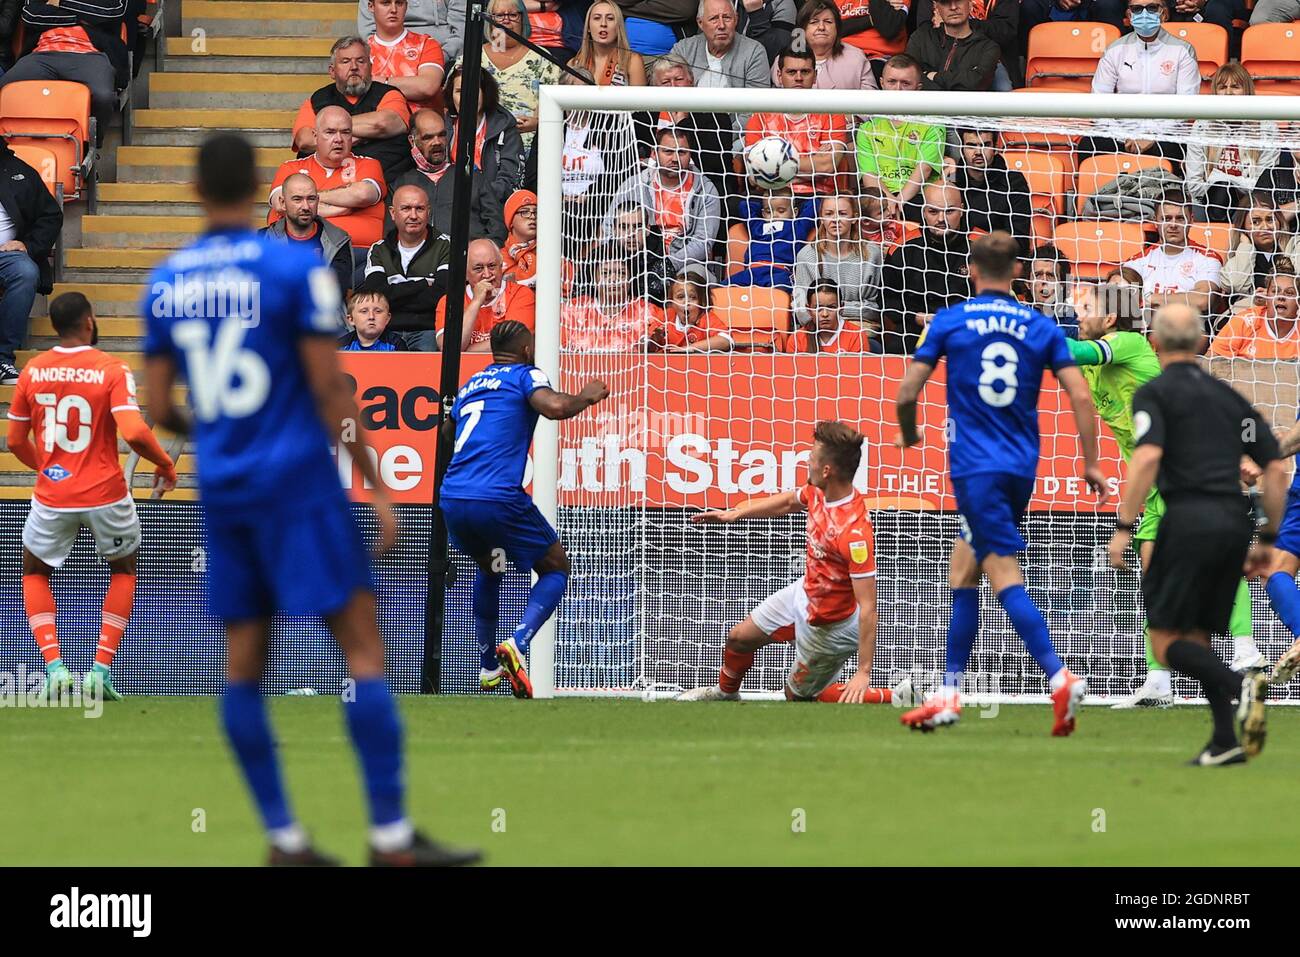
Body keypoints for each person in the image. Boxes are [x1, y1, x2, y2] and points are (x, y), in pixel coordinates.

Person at [142, 132, 480, 866]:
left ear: (195, 191)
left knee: (242, 667)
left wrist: (223, 424)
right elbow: (331, 389)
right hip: (298, 481)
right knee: (363, 651)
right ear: (262, 187)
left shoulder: (166, 281)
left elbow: (156, 405)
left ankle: (283, 836)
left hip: (226, 491)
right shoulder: (291, 268)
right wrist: (380, 486)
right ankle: (390, 835)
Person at [894, 231, 1105, 734]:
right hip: (1020, 469)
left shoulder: (951, 320)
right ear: (1016, 272)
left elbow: (906, 392)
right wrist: (1091, 462)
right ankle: (948, 693)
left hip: (976, 469)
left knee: (1002, 574)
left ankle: (1059, 676)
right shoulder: (1040, 325)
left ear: (970, 269)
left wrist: (908, 435)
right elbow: (1080, 397)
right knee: (962, 571)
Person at [1069, 283, 1264, 709]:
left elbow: (1075, 352)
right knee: (1153, 576)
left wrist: (1024, 331)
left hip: (1182, 471)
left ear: (1110, 318)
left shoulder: (1126, 343)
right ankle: (1159, 680)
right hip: (1155, 482)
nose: (1078, 314)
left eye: (1087, 309)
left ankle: (1244, 647)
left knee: (1209, 559)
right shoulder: (1090, 364)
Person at [1107, 304, 1283, 765]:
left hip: (1186, 520)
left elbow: (1146, 459)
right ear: (1203, 343)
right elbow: (1276, 466)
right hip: (1234, 521)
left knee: (1167, 642)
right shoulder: (1229, 399)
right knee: (1200, 638)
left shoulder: (1154, 393)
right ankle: (1225, 742)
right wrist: (1267, 537)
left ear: (1156, 344)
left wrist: (1124, 527)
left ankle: (1241, 685)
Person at [8, 291, 176, 701]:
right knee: (122, 571)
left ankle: (54, 669)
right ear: (90, 321)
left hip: (53, 494)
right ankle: (100, 671)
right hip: (105, 493)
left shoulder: (32, 370)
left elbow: (14, 441)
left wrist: (50, 470)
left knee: (34, 573)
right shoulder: (111, 368)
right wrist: (165, 465)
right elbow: (135, 432)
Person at [679, 421, 915, 704]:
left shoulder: (853, 532)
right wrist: (735, 514)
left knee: (798, 696)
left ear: (827, 470)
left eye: (812, 458)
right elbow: (789, 502)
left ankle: (898, 696)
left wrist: (864, 671)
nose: (807, 460)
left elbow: (868, 607)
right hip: (805, 594)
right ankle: (726, 693)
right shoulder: (818, 491)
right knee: (739, 638)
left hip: (831, 626)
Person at [439, 320, 609, 695]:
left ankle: (487, 666)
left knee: (491, 564)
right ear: (526, 349)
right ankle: (518, 642)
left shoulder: (472, 384)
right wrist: (586, 395)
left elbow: (449, 431)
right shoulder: (525, 375)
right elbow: (555, 408)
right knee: (555, 567)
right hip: (497, 496)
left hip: (452, 495)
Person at [0, 0, 128, 147]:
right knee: (5, 87)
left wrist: (61, 3)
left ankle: (90, 146)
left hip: (92, 52)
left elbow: (113, 11)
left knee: (103, 96)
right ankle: (7, 151)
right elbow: (30, 14)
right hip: (43, 51)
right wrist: (81, 18)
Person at [293, 36, 413, 184]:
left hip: (387, 183)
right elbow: (305, 140)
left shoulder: (389, 93)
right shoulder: (317, 99)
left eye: (361, 61)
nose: (354, 67)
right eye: (345, 61)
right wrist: (366, 135)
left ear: (370, 67)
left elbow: (383, 124)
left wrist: (329, 134)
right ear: (332, 71)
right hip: (328, 183)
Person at [603, 126, 721, 277]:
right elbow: (608, 227)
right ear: (654, 153)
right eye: (668, 152)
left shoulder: (706, 190)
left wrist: (668, 264)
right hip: (636, 259)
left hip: (686, 265)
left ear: (690, 154)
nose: (675, 159)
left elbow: (703, 243)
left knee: (690, 282)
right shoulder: (634, 185)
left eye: (682, 152)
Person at [270, 106, 388, 252]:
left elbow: (362, 194)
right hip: (301, 252)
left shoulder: (369, 164)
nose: (339, 139)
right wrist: (341, 207)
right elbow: (281, 204)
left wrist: (304, 200)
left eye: (345, 132)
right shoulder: (290, 168)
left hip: (360, 254)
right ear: (315, 136)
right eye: (330, 132)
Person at [879, 181, 972, 353]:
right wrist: (917, 317)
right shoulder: (903, 248)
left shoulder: (980, 249)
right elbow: (887, 299)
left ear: (962, 209)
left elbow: (993, 299)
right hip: (915, 329)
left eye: (949, 211)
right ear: (923, 211)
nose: (941, 219)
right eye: (933, 211)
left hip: (966, 330)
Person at [745, 47, 851, 198]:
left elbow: (827, 166)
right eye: (791, 72)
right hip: (773, 199)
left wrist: (773, 164)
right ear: (779, 75)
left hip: (820, 198)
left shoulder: (832, 111)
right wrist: (813, 163)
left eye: (805, 72)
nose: (799, 78)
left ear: (815, 75)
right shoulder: (760, 116)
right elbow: (754, 175)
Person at [0, 137, 64, 385]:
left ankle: (2, 358)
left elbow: (50, 215)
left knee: (25, 272)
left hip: (6, 255)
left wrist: (28, 245)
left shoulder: (19, 172)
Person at [1185, 65, 1281, 225]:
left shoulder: (1266, 127)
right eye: (1222, 87)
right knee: (1220, 192)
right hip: (1206, 204)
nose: (1228, 92)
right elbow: (1194, 187)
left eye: (1235, 87)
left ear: (1247, 91)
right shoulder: (1202, 126)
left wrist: (1221, 179)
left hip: (1252, 207)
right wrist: (1223, 185)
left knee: (1223, 188)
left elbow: (1263, 187)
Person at [393, 109, 507, 244]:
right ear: (412, 141)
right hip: (421, 261)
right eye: (428, 137)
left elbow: (497, 230)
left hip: (468, 260)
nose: (437, 142)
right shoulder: (401, 184)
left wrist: (478, 254)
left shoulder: (471, 177)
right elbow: (391, 237)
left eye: (441, 135)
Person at [360, 184, 451, 351]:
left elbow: (441, 297)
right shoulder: (379, 249)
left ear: (428, 212)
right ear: (393, 213)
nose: (413, 215)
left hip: (428, 329)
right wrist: (422, 285)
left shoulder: (446, 246)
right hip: (387, 329)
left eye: (420, 208)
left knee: (425, 375)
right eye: (406, 208)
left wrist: (394, 294)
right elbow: (375, 296)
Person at [855, 55, 945, 222]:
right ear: (881, 83)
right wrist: (890, 200)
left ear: (918, 88)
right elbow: (869, 176)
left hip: (920, 198)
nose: (897, 89)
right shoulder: (867, 129)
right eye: (892, 82)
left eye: (905, 84)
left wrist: (899, 201)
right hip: (880, 199)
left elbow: (924, 170)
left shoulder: (932, 125)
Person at [260, 172, 354, 310]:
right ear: (282, 203)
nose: (305, 207)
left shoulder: (338, 240)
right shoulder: (263, 240)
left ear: (318, 200)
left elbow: (333, 293)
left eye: (311, 199)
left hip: (324, 322)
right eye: (297, 199)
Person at [792, 194, 882, 330]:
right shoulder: (806, 256)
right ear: (821, 218)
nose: (835, 220)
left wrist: (826, 309)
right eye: (829, 214)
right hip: (818, 331)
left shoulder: (872, 254)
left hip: (860, 330)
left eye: (842, 213)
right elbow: (802, 312)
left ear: (854, 218)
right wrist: (849, 308)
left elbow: (873, 309)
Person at [482, 0, 563, 152]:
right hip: (483, 144)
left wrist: (537, 122)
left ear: (523, 19)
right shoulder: (473, 56)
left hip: (528, 144)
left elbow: (552, 101)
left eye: (513, 15)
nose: (506, 20)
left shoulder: (543, 58)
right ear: (490, 20)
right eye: (499, 15)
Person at [1124, 192, 1222, 316]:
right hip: (1144, 328)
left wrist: (1148, 298)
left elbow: (1202, 301)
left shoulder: (1207, 258)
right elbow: (1118, 299)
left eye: (1180, 218)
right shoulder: (1137, 261)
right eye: (1166, 218)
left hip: (1188, 330)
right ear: (1155, 221)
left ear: (1191, 220)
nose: (1173, 225)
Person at [443, 65, 524, 207]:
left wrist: (476, 196)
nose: (467, 96)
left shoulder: (505, 127)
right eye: (459, 91)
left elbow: (510, 180)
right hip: (449, 203)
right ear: (451, 95)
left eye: (474, 90)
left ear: (485, 93)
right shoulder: (443, 126)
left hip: (492, 206)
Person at [436, 238, 536, 351]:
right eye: (478, 268)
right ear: (465, 274)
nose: (487, 274)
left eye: (492, 266)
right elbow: (447, 347)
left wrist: (465, 352)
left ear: (501, 266)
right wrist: (477, 301)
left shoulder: (520, 294)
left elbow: (513, 342)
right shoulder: (449, 302)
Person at [953, 128, 1032, 257]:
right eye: (971, 146)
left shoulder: (1013, 182)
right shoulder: (952, 182)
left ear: (995, 148)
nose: (978, 152)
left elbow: (1019, 242)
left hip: (998, 264)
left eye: (985, 145)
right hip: (956, 262)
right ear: (961, 149)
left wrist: (977, 239)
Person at [561, 257, 666, 351]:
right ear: (594, 279)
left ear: (631, 279)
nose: (614, 279)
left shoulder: (649, 313)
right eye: (605, 273)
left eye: (622, 273)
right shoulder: (573, 310)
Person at [670, 0, 770, 94]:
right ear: (700, 23)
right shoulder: (683, 50)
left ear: (736, 20)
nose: (721, 25)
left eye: (727, 18)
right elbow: (670, 93)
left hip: (737, 113)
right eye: (714, 18)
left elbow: (757, 105)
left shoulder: (754, 52)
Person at [726, 189, 817, 290]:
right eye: (769, 211)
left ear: (795, 212)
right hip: (751, 272)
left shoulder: (798, 226)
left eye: (781, 211)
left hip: (778, 272)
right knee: (716, 290)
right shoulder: (757, 226)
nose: (774, 215)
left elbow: (815, 202)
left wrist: (790, 199)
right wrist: (766, 192)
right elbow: (744, 205)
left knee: (781, 294)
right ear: (763, 214)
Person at [775, 0, 876, 90]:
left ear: (837, 28)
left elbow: (871, 104)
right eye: (814, 22)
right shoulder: (785, 59)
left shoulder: (856, 58)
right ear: (803, 28)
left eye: (828, 22)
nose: (821, 27)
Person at [1209, 259, 1300, 360]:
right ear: (1266, 297)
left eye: (1289, 293)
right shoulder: (1245, 321)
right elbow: (1212, 360)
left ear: (1298, 302)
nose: (1281, 297)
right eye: (1275, 291)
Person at [366, 0, 446, 112]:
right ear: (371, 6)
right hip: (376, 123)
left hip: (420, 126)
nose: (393, 10)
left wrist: (376, 82)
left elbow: (428, 86)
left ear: (406, 6)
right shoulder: (361, 51)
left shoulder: (427, 44)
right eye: (386, 3)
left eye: (399, 3)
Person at [1221, 195, 1300, 310]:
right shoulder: (1239, 254)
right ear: (1243, 227)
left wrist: (1271, 298)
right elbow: (1235, 284)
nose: (1265, 227)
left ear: (1279, 222)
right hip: (1250, 317)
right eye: (1256, 222)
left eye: (1270, 220)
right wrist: (1245, 248)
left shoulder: (1294, 246)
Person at [905, 0, 1001, 92]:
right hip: (925, 107)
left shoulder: (988, 47)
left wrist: (932, 76)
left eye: (959, 1)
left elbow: (976, 82)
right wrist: (961, 80)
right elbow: (909, 77)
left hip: (967, 108)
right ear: (937, 8)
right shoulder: (921, 38)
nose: (953, 7)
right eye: (946, 3)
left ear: (970, 5)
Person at [647, 269, 733, 352]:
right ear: (672, 302)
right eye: (680, 297)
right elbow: (644, 347)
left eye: (693, 297)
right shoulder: (667, 316)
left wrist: (691, 348)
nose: (686, 302)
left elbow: (726, 340)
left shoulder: (706, 318)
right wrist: (654, 340)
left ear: (702, 302)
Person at [781, 280, 878, 352]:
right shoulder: (797, 339)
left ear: (841, 308)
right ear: (809, 309)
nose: (825, 314)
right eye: (818, 308)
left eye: (831, 307)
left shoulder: (856, 335)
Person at [569, 0, 647, 86]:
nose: (603, 24)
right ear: (588, 27)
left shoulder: (633, 61)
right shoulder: (573, 64)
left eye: (610, 18)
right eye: (597, 18)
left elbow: (639, 99)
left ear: (618, 27)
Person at [358, 0, 464, 61]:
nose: (394, 9)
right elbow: (369, 33)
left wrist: (438, 58)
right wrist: (401, 60)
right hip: (388, 56)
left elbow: (462, 32)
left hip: (444, 57)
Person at [830, 0, 908, 71]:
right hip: (841, 54)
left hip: (882, 57)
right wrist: (876, 17)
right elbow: (828, 28)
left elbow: (889, 27)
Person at [1022, 243, 1077, 335]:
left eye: (1051, 275)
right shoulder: (1018, 317)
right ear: (1028, 283)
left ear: (1062, 284)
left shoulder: (1073, 324)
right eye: (1038, 275)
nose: (1044, 281)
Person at [339, 289, 409, 351]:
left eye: (378, 311)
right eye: (364, 311)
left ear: (387, 318)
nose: (371, 317)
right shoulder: (341, 346)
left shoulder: (396, 345)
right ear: (351, 319)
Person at [502, 189, 538, 288]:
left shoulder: (550, 255)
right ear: (511, 221)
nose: (532, 216)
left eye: (536, 212)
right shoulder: (497, 258)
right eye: (524, 212)